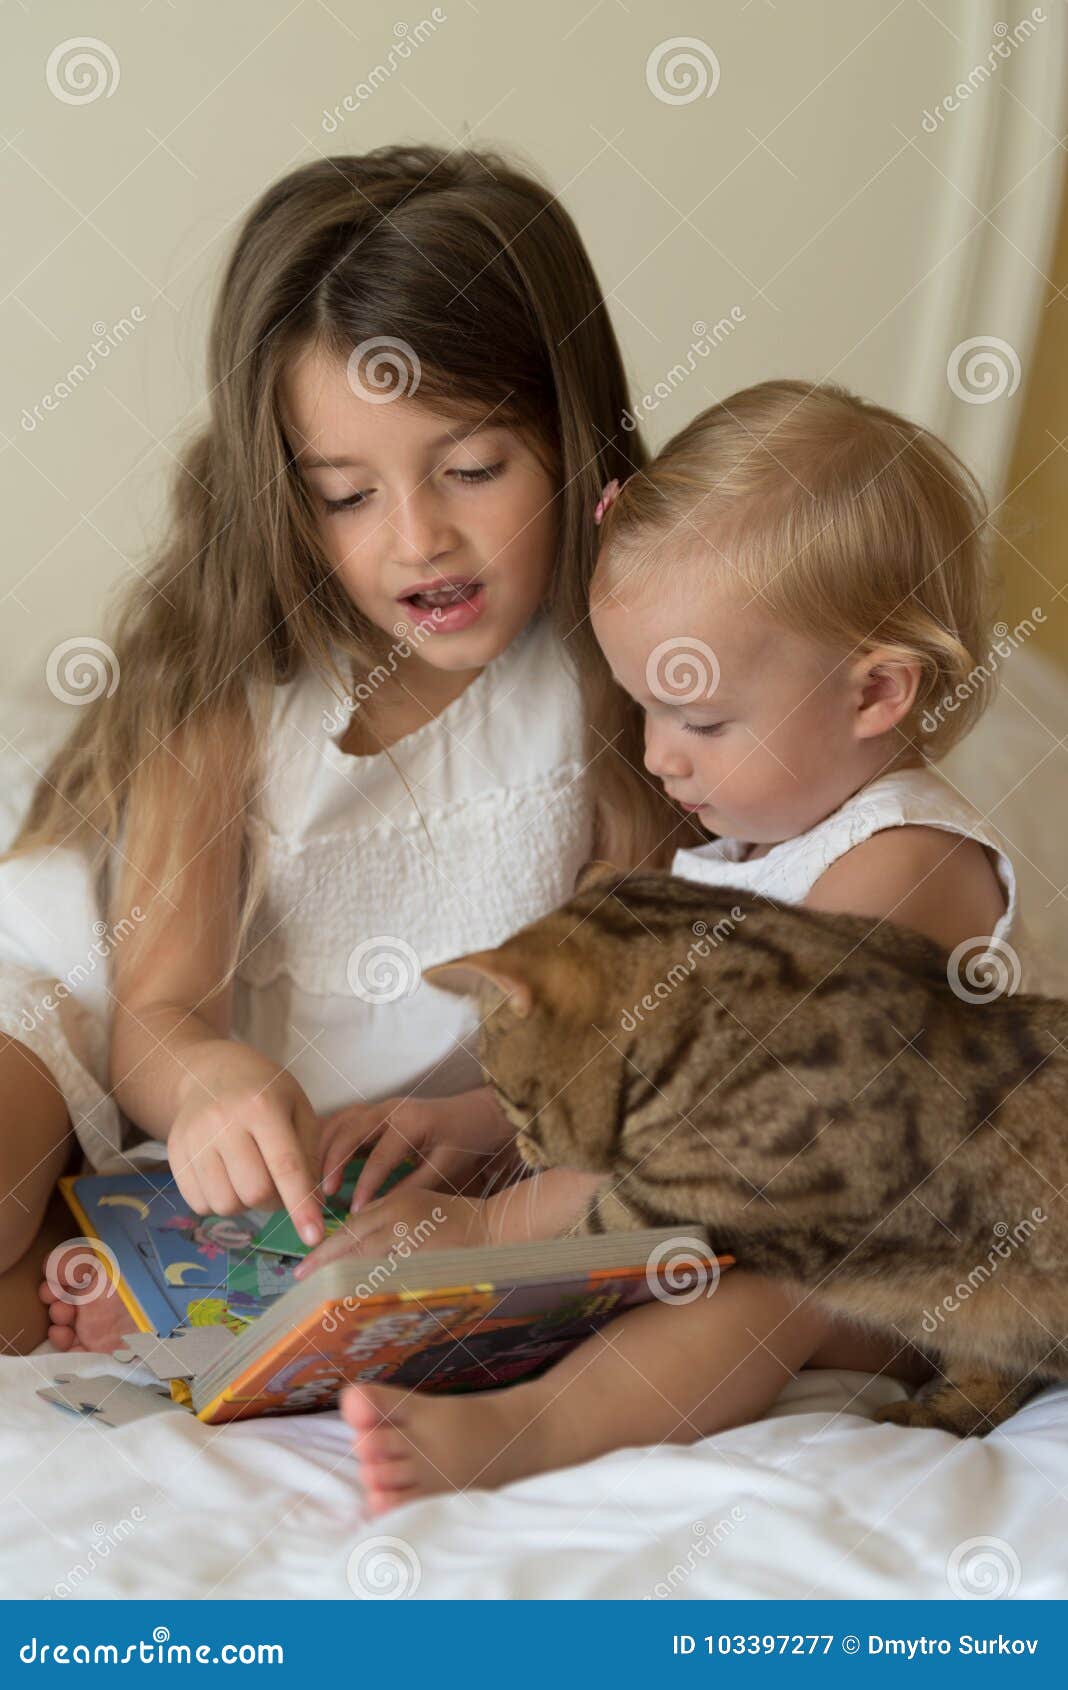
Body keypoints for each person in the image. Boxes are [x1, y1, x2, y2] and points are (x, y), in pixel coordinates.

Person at [297, 380, 1061, 1516]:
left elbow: (748, 1138)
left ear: (877, 692)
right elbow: (644, 1070)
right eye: (644, 708)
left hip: (952, 1274)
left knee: (760, 1287)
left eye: (700, 718)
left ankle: (522, 1436)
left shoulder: (906, 866)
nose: (661, 758)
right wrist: (467, 1129)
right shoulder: (749, 847)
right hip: (794, 1210)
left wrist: (495, 1223)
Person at [1, 142, 699, 1351]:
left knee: (44, 1307)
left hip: (337, 1169)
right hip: (80, 1002)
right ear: (281, 491)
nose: (418, 538)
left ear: (574, 438)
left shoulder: (614, 687)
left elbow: (617, 1020)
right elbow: (154, 1009)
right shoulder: (234, 683)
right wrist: (206, 1075)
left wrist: (486, 1116)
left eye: (473, 469)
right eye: (345, 494)